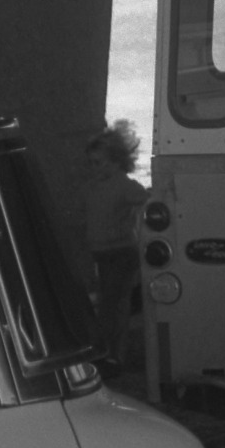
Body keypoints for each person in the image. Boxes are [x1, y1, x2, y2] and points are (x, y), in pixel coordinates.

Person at [85, 119, 145, 378]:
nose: (96, 168)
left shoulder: (123, 185)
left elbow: (146, 198)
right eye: (93, 163)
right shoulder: (98, 186)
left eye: (101, 163)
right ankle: (109, 353)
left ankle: (113, 355)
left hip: (120, 252)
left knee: (114, 305)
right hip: (103, 253)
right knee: (110, 304)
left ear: (117, 160)